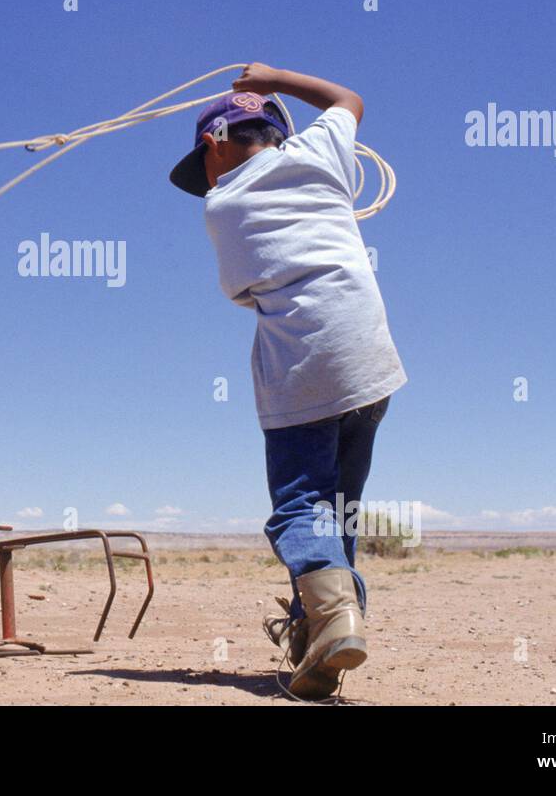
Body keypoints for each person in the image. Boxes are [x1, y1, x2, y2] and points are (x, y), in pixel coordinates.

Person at [168, 63, 407, 698]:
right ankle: (319, 639)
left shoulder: (224, 205)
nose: (207, 177)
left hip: (302, 369)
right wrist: (274, 75)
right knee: (340, 512)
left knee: (302, 505)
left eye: (204, 161)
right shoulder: (321, 152)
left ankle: (330, 616)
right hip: (370, 362)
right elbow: (348, 97)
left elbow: (240, 292)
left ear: (214, 144)